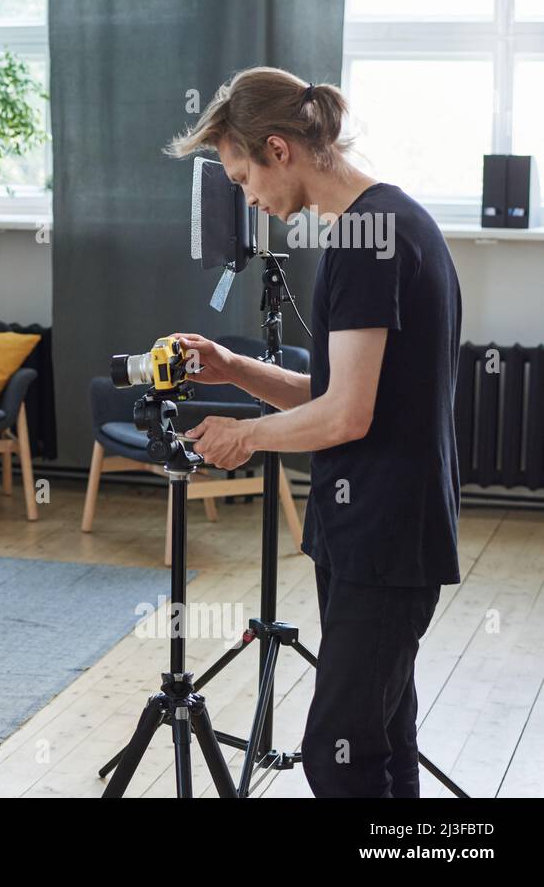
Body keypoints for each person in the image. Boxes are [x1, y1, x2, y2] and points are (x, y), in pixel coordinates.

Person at [164, 66, 462, 797]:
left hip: (385, 538)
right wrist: (235, 369)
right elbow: (342, 394)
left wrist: (248, 438)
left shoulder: (368, 240)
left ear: (277, 149)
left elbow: (345, 417)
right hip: (375, 531)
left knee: (338, 754)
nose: (248, 197)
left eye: (241, 177)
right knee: (384, 742)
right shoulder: (377, 223)